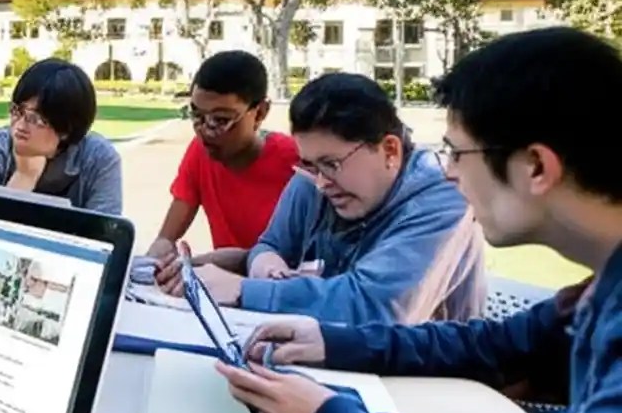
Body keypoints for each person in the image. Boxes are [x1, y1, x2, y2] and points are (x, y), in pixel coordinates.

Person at [216, 27, 622, 413]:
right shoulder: (599, 290)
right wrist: (329, 341)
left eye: (456, 153)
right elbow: (494, 346)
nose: (449, 174)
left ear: (535, 167)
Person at [193, 72, 485, 324]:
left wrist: (244, 290)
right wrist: (267, 267)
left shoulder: (443, 197)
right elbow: (271, 245)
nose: (320, 183)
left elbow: (375, 309)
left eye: (332, 164)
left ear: (390, 151)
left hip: (426, 381)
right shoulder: (314, 177)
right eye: (309, 164)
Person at [147, 51, 298, 282]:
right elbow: (166, 239)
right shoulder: (199, 152)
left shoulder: (296, 163)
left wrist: (218, 263)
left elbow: (306, 260)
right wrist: (156, 259)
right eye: (196, 115)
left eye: (221, 120)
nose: (205, 130)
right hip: (222, 290)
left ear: (260, 113)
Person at [0, 58, 123, 214]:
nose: (20, 125)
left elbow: (105, 234)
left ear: (65, 129)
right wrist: (24, 176)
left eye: (35, 119)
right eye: (18, 111)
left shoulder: (98, 159)